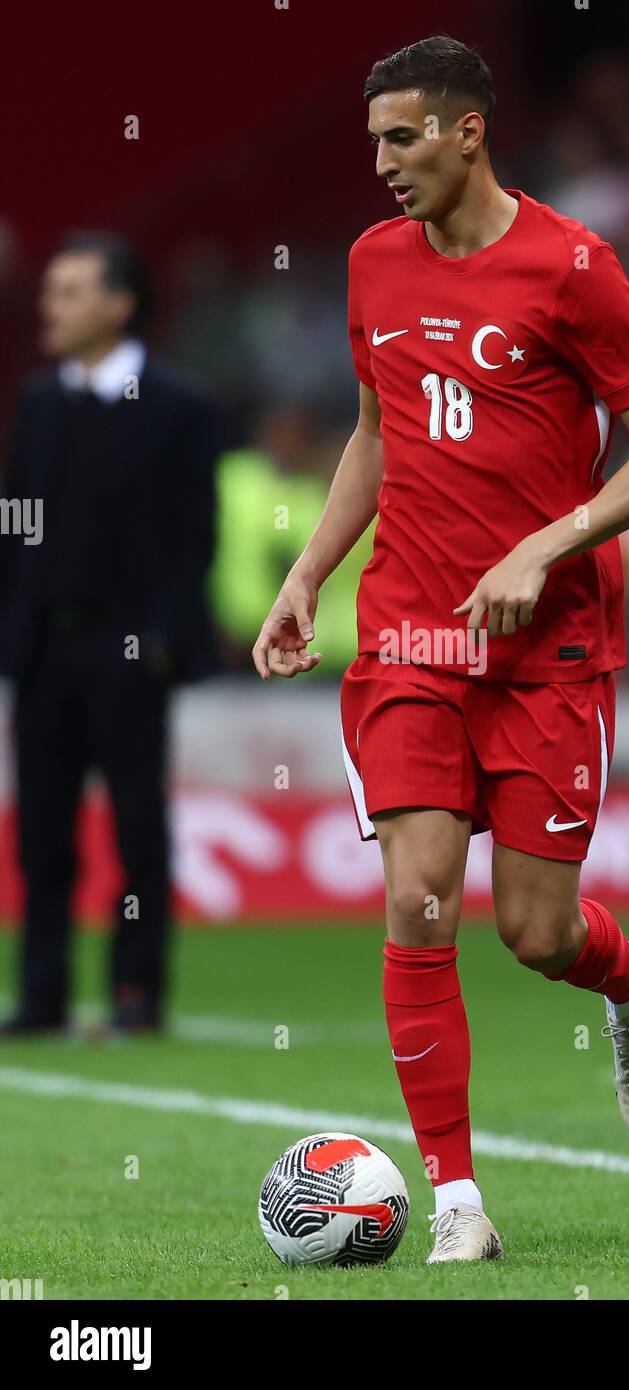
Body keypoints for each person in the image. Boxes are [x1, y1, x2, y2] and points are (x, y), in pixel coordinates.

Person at [252, 37, 629, 1262]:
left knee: (536, 934)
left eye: (402, 139)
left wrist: (543, 547)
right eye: (372, 144)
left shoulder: (572, 266)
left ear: (466, 132)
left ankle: (628, 985)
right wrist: (308, 571)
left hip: (547, 644)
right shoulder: (371, 263)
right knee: (416, 898)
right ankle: (456, 1203)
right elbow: (374, 432)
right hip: (405, 633)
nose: (383, 165)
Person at [0, 232, 221, 1035]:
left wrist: (163, 640)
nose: (47, 306)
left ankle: (137, 993)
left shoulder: (179, 407)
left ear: (118, 304)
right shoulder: (39, 403)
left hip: (132, 652)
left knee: (137, 828)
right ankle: (43, 993)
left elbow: (195, 535)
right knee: (42, 834)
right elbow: (15, 519)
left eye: (68, 291)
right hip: (45, 654)